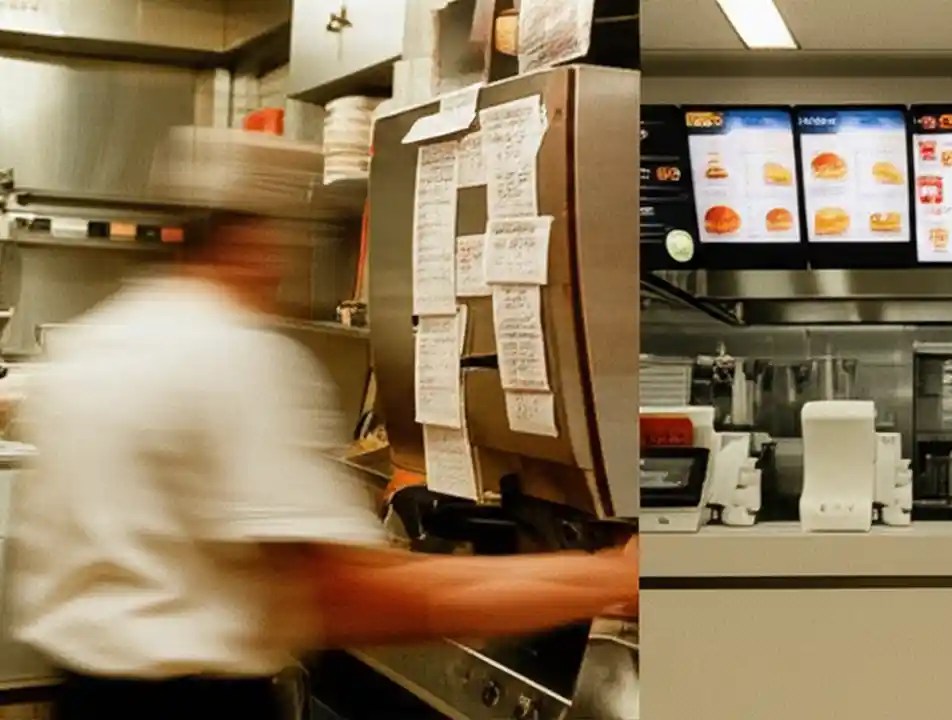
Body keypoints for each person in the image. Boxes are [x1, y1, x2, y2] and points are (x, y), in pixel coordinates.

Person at [5, 156, 637, 717]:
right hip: (187, 701)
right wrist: (609, 578)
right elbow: (348, 598)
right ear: (252, 242)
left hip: (85, 692)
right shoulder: (232, 354)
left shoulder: (98, 340)